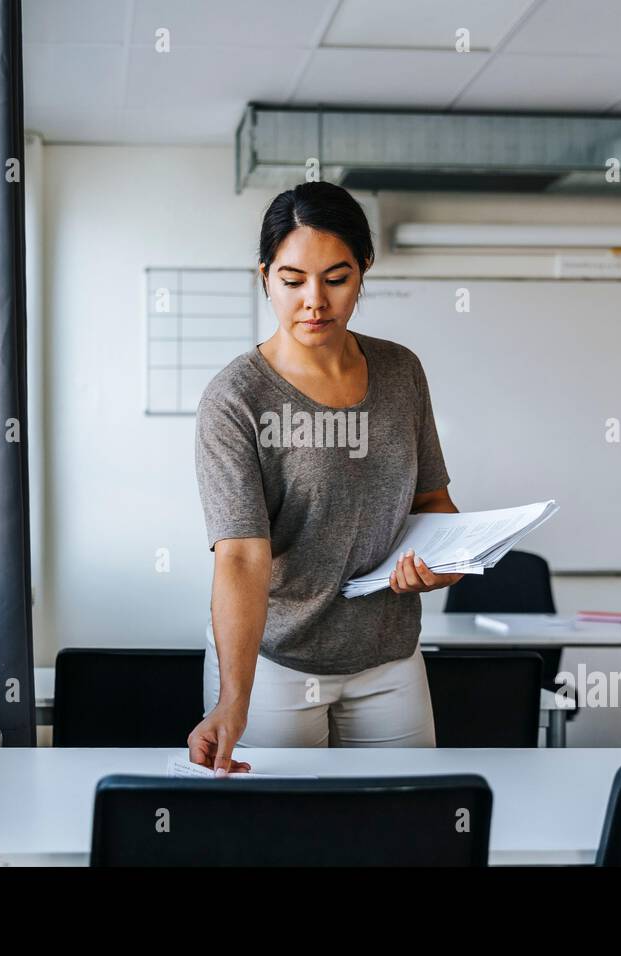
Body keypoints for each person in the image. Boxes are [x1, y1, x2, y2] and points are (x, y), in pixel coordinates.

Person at [189, 181, 462, 774]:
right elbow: (240, 556)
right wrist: (234, 698)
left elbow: (433, 501)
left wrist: (448, 558)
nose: (314, 300)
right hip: (277, 662)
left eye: (336, 278)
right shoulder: (236, 398)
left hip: (389, 656)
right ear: (265, 276)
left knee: (404, 830)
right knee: (287, 839)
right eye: (292, 281)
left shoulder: (400, 371)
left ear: (364, 270)